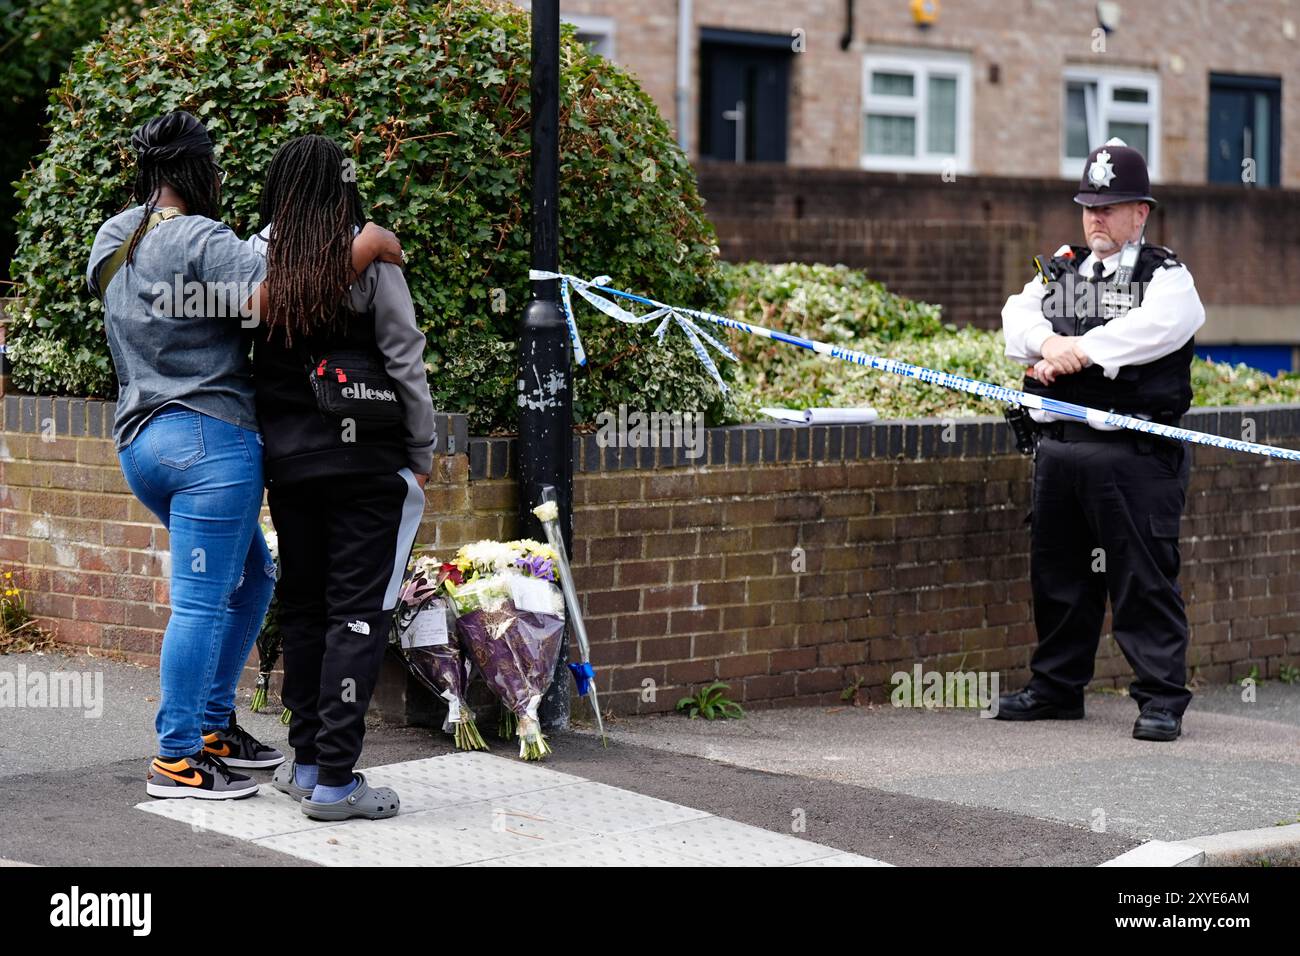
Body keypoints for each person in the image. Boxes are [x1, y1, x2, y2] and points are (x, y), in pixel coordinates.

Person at [87, 111, 404, 798]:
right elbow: (282, 303)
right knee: (202, 603)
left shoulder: (113, 235)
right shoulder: (202, 236)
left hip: (142, 441)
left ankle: (210, 725)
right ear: (197, 171)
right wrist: (366, 245)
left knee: (256, 577)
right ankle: (177, 757)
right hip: (208, 441)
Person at [249, 135, 435, 820]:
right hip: (365, 466)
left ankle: (305, 767)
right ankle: (336, 781)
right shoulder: (371, 253)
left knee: (303, 608)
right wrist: (421, 448)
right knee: (358, 615)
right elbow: (404, 356)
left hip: (290, 465)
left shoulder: (254, 253)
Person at [997, 138, 1206, 742]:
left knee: (1143, 579)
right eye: (1089, 205)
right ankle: (1056, 689)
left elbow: (1158, 329)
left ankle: (1162, 698)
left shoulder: (1165, 276)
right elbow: (1017, 318)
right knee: (1058, 575)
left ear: (1140, 212)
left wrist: (1080, 350)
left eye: (1109, 207)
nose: (1096, 218)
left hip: (1133, 455)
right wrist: (1047, 345)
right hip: (1061, 449)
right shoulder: (1062, 269)